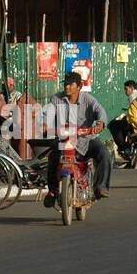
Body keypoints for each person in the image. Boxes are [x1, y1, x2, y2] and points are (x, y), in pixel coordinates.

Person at [42, 72, 110, 205]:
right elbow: (48, 113)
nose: (67, 87)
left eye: (70, 84)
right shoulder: (56, 99)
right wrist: (44, 123)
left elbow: (100, 111)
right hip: (64, 140)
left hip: (86, 140)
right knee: (53, 157)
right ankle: (52, 190)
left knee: (104, 153)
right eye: (65, 84)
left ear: (79, 86)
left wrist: (100, 123)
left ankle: (100, 187)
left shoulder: (88, 100)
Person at [108, 80, 137, 157]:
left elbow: (134, 111)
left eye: (126, 89)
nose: (125, 91)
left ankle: (123, 147)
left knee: (113, 125)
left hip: (134, 121)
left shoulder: (133, 95)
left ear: (132, 88)